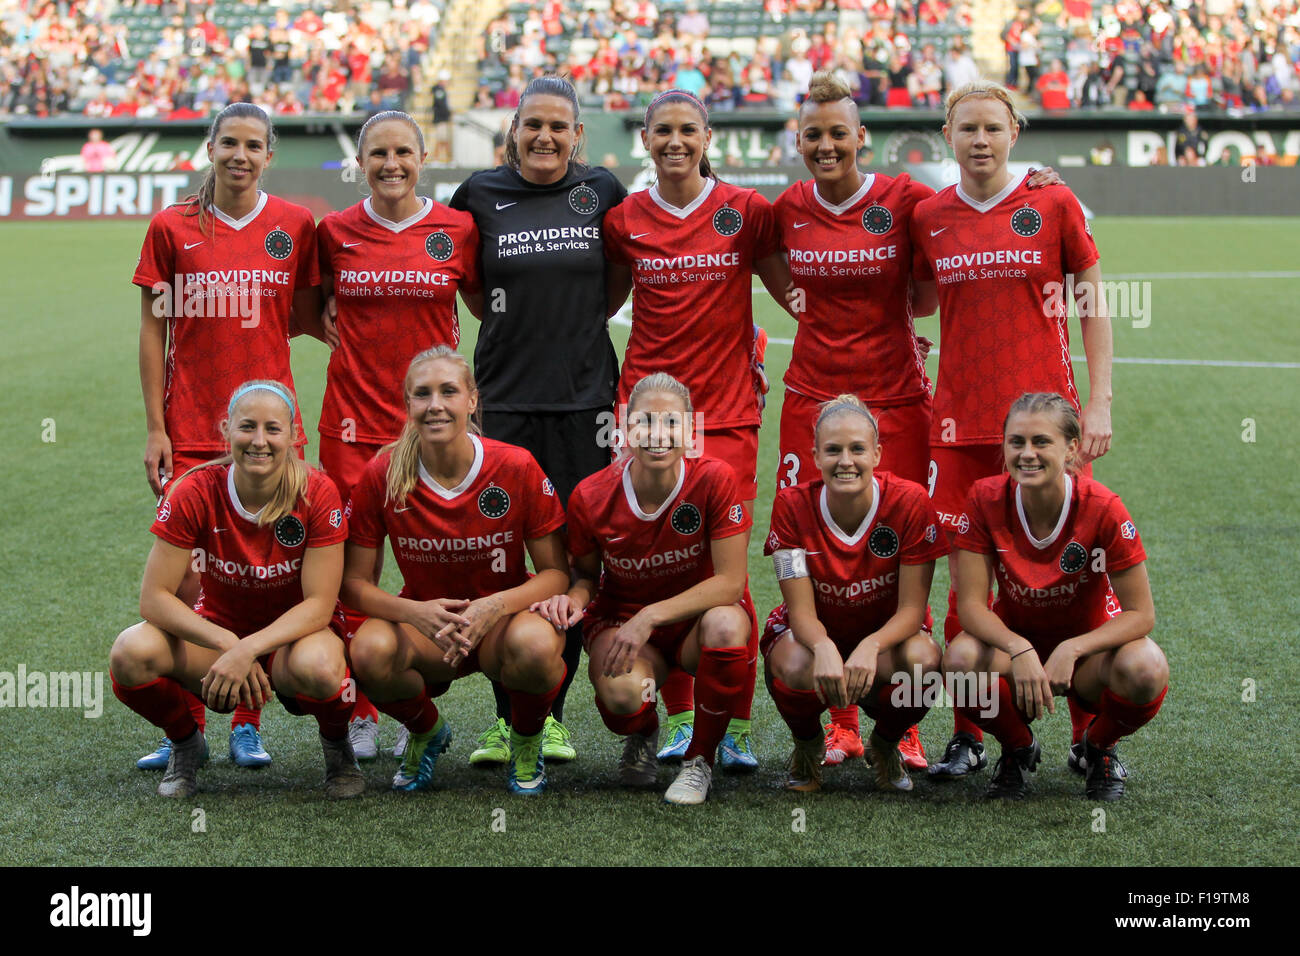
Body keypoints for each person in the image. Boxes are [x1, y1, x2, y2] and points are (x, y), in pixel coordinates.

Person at [774, 72, 1061, 771]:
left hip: (899, 402)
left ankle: (900, 722)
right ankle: (839, 722)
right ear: (799, 141)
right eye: (813, 134)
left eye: (839, 132)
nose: (827, 144)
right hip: (811, 402)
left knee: (904, 551)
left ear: (861, 137)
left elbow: (948, 258)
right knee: (814, 555)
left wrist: (1033, 179)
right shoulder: (782, 208)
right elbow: (774, 277)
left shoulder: (907, 202)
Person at [910, 80, 1114, 779]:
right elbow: (914, 298)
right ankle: (974, 737)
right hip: (961, 429)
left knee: (1074, 576)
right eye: (967, 129)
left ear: (1015, 132)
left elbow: (1091, 302)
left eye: (993, 128)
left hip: (1044, 429)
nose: (980, 140)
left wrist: (1101, 402)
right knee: (966, 589)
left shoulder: (1052, 202)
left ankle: (1091, 738)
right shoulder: (929, 215)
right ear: (948, 135)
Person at [602, 88, 791, 770]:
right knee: (657, 560)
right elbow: (607, 302)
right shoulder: (624, 219)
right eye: (663, 132)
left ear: (708, 136)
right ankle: (679, 717)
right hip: (647, 417)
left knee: (724, 572)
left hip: (728, 411)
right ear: (645, 141)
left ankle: (731, 726)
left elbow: (790, 290)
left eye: (688, 130)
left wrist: (761, 341)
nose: (675, 142)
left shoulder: (746, 212)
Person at [132, 102, 323, 772]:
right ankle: (184, 726)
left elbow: (306, 316)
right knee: (186, 588)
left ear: (269, 154)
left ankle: (247, 722)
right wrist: (156, 427)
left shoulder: (295, 225)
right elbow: (154, 329)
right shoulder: (170, 226)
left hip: (271, 435)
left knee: (264, 580)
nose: (240, 155)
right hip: (190, 429)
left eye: (253, 145)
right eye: (229, 143)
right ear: (209, 147)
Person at [449, 74, 629, 768]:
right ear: (513, 132)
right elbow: (470, 283)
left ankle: (549, 715)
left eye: (559, 126)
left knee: (580, 560)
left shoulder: (602, 192)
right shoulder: (479, 193)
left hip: (585, 404)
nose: (545, 137)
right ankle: (510, 717)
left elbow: (614, 283)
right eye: (533, 125)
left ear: (578, 135)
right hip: (504, 402)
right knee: (506, 556)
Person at [316, 109, 481, 760]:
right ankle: (362, 708)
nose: (391, 164)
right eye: (377, 153)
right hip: (352, 428)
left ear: (423, 157)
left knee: (452, 559)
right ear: (360, 162)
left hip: (431, 430)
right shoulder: (332, 232)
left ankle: (460, 693)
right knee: (351, 571)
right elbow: (305, 305)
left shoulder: (456, 228)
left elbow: (488, 302)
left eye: (403, 152)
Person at [109, 381, 362, 799]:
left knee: (320, 668)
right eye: (247, 427)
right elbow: (154, 598)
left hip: (294, 641)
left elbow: (319, 605)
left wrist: (247, 650)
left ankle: (337, 748)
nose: (259, 441)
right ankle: (186, 743)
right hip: (218, 635)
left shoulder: (317, 491)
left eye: (272, 429)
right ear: (226, 429)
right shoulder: (194, 489)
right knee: (130, 653)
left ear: (294, 434)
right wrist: (230, 644)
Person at [341, 347, 570, 794]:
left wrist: (495, 605)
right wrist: (413, 612)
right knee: (369, 651)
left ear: (471, 400)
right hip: (430, 631)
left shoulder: (514, 465)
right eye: (422, 394)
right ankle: (427, 731)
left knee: (537, 646)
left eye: (448, 391)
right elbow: (352, 585)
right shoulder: (383, 473)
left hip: (503, 625)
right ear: (407, 405)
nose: (435, 405)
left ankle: (525, 742)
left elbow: (556, 575)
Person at [534, 374, 757, 805]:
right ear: (624, 428)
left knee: (728, 627)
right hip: (622, 622)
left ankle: (699, 761)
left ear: (691, 431)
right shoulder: (591, 495)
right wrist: (571, 600)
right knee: (622, 696)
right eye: (645, 421)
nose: (658, 434)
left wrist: (650, 615)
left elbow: (730, 582)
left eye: (671, 423)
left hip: (693, 624)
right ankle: (642, 732)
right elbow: (585, 578)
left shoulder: (714, 479)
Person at [944, 393, 1167, 799]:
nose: (1027, 454)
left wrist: (1072, 648)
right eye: (1016, 442)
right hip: (1016, 657)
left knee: (1146, 667)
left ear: (1071, 448)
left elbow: (1141, 614)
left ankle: (1097, 748)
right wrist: (1019, 649)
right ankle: (1017, 747)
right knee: (959, 659)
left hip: (1088, 660)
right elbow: (972, 606)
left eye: (1041, 442)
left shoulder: (1104, 507)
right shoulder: (984, 498)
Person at [763, 395, 947, 792]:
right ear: (814, 455)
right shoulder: (790, 506)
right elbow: (799, 612)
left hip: (884, 645)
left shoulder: (910, 502)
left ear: (877, 453)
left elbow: (913, 610)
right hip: (816, 640)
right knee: (794, 662)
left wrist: (871, 646)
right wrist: (825, 647)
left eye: (857, 449)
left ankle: (884, 745)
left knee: (923, 660)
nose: (845, 461)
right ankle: (808, 746)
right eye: (833, 450)